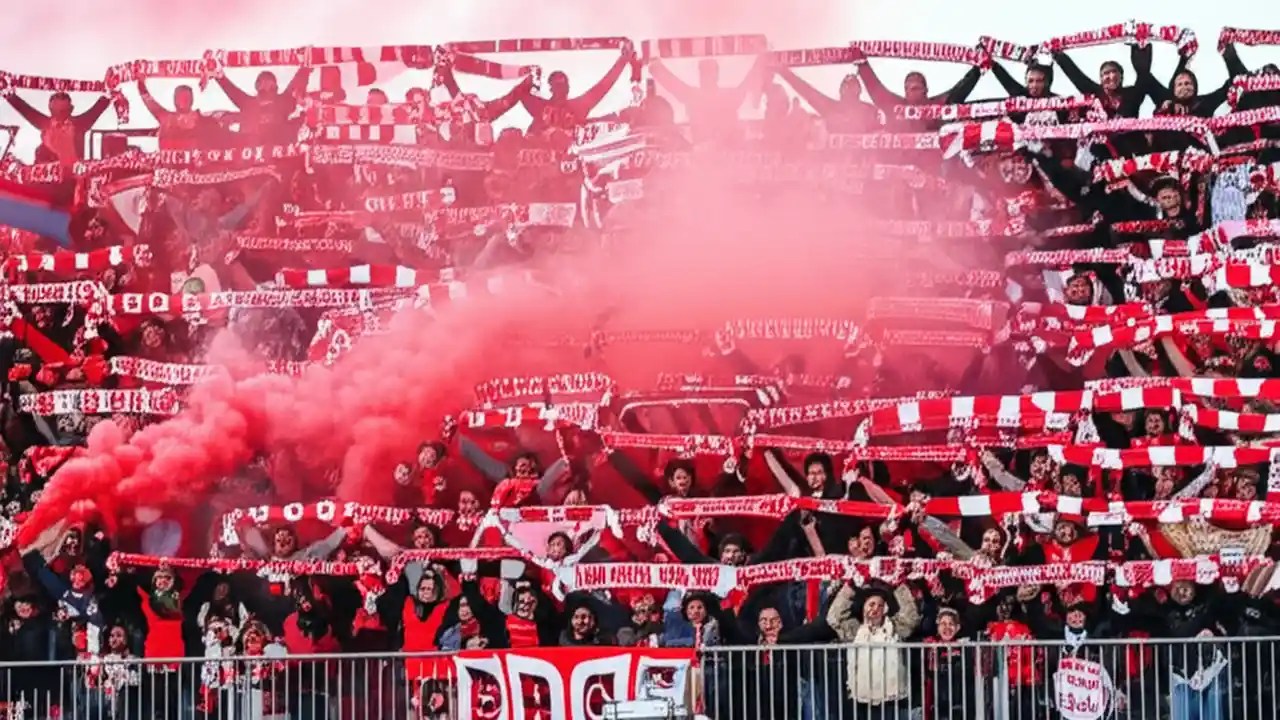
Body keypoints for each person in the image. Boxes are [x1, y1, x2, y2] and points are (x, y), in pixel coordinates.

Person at [5, 90, 112, 164]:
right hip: (46, 180)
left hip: (70, 181)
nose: (60, 116)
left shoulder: (79, 124)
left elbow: (97, 109)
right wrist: (8, 95)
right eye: (56, 111)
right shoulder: (45, 123)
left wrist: (109, 95)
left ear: (71, 109)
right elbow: (25, 110)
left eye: (63, 111)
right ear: (50, 109)